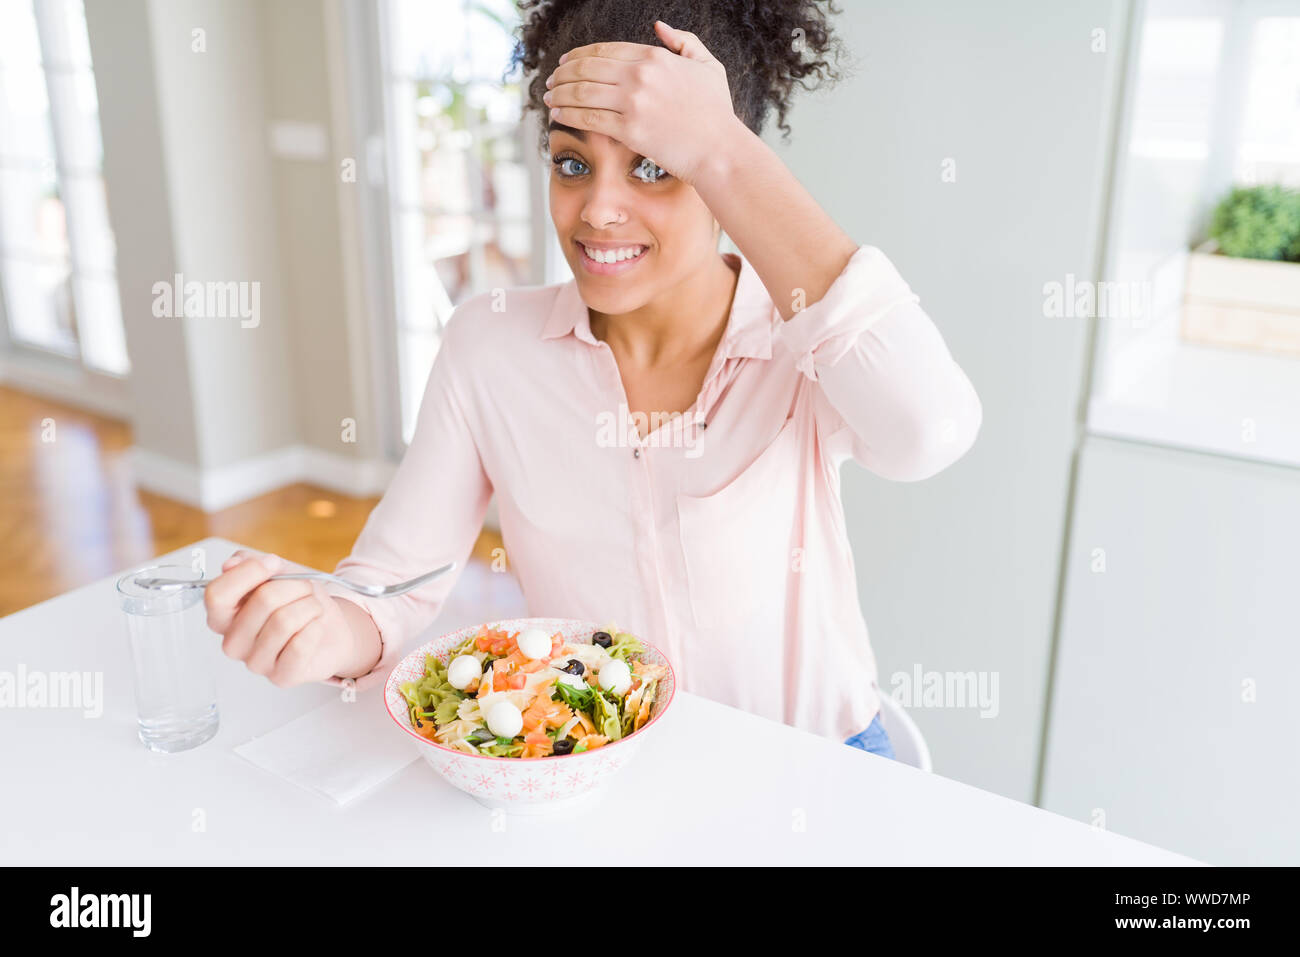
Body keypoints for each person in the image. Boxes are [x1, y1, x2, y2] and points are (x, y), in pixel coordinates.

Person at [204, 4, 981, 761]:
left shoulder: (801, 337)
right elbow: (391, 588)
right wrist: (326, 627)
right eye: (572, 162)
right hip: (606, 776)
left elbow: (930, 429)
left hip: (820, 774)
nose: (599, 210)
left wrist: (719, 146)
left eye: (654, 165)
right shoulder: (490, 349)